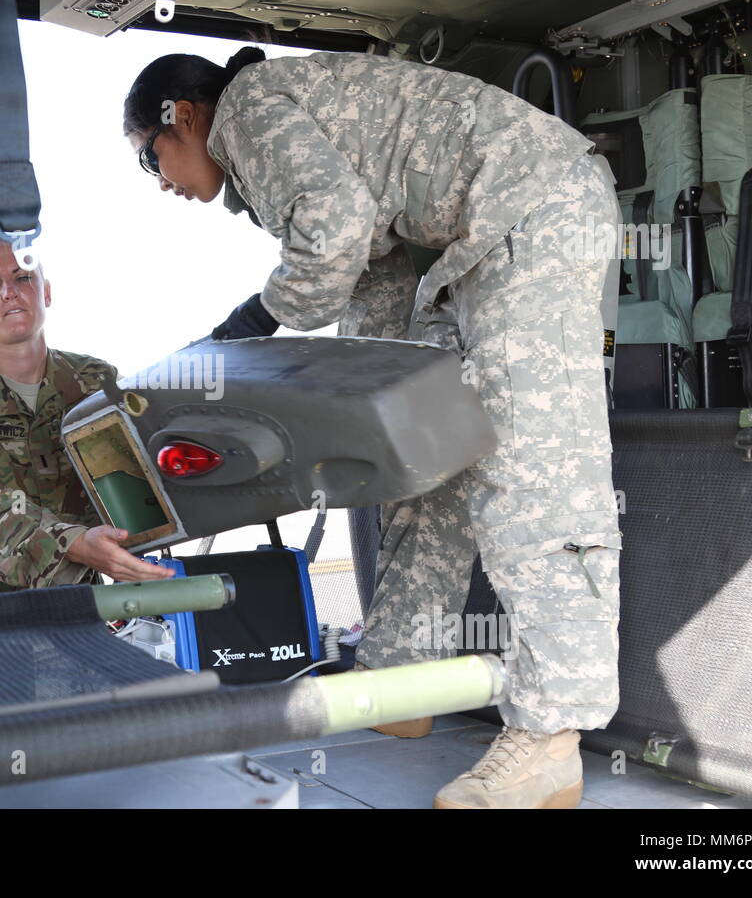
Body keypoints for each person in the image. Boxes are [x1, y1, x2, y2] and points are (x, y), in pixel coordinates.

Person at [122, 48, 622, 809]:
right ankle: (400, 680)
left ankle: (551, 740)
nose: (158, 184)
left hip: (535, 210)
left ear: (182, 117)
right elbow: (368, 278)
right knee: (425, 456)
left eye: (147, 159)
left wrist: (243, 328)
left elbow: (334, 230)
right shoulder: (268, 156)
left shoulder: (249, 107)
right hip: (478, 239)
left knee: (530, 476)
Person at [0, 234, 175, 598]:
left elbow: (140, 474)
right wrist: (72, 545)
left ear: (45, 292)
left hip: (77, 598)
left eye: (23, 277)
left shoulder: (95, 381)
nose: (8, 292)